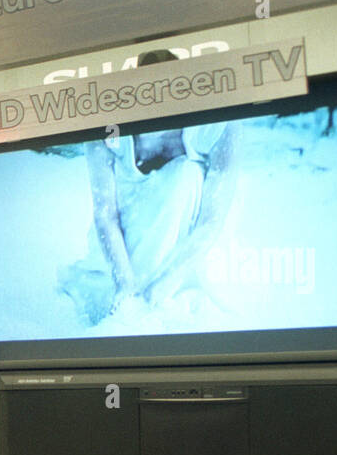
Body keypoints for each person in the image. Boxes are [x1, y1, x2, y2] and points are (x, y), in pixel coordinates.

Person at [58, 49, 239, 326]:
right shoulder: (105, 127)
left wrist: (167, 283)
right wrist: (125, 284)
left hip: (180, 260)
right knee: (113, 314)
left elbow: (211, 221)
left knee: (186, 174)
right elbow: (106, 215)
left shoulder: (216, 126)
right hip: (120, 258)